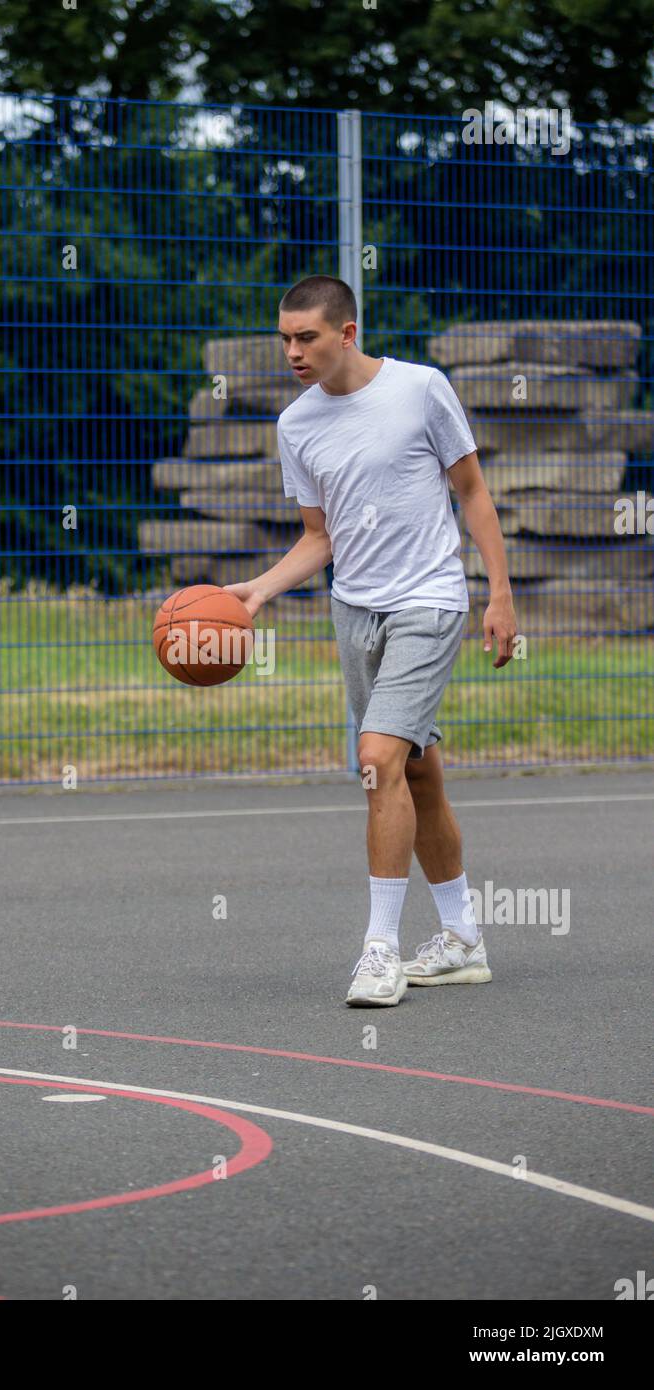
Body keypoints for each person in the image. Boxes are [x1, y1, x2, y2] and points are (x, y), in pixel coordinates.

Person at [224, 275, 518, 1006]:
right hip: (354, 611)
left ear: (346, 334)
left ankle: (379, 952)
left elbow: (472, 492)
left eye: (307, 337)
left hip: (429, 601)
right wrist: (260, 589)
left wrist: (500, 595)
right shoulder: (297, 425)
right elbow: (319, 537)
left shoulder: (420, 389)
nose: (292, 351)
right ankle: (463, 941)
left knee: (376, 758)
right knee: (417, 774)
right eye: (284, 338)